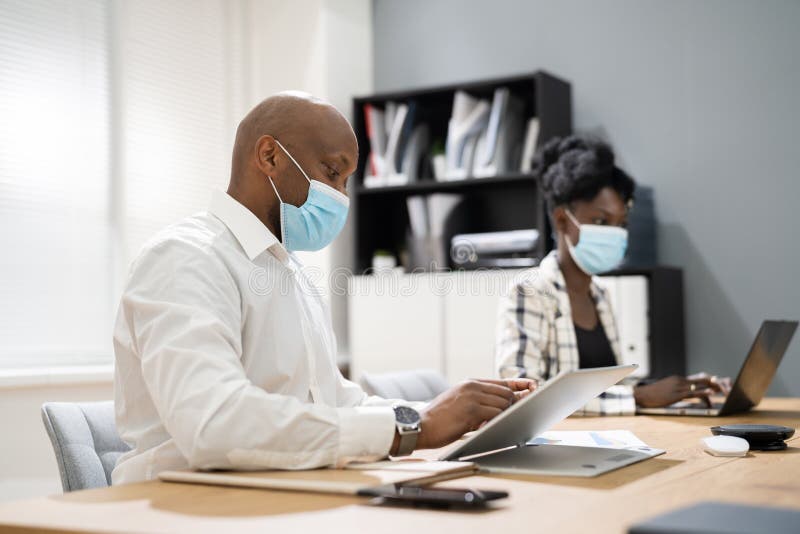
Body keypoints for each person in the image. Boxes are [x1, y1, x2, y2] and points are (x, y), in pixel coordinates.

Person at [112, 92, 535, 484]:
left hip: (279, 491)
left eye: (347, 181)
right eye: (333, 173)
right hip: (182, 505)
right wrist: (414, 428)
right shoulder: (185, 258)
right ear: (269, 155)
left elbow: (336, 403)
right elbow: (215, 423)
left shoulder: (287, 269)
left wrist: (442, 413)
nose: (340, 197)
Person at [495, 135, 724, 415]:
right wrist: (638, 398)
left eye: (621, 224)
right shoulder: (529, 292)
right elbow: (522, 395)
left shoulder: (600, 294)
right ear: (562, 220)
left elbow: (612, 386)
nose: (615, 233)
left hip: (608, 438)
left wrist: (676, 391)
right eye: (601, 221)